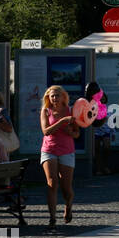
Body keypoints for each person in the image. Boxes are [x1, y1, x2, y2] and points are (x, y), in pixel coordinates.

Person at [40, 85, 80, 229]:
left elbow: (77, 133)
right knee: (52, 183)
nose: (55, 98)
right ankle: (52, 217)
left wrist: (71, 132)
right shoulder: (46, 111)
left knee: (66, 188)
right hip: (49, 149)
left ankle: (68, 206)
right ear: (48, 98)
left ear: (64, 97)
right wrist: (62, 122)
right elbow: (46, 131)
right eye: (52, 96)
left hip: (66, 150)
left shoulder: (70, 111)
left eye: (57, 95)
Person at [85, 82, 114, 177]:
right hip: (96, 131)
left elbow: (111, 122)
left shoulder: (108, 108)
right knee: (97, 150)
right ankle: (98, 168)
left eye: (103, 97)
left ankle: (105, 166)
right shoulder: (93, 107)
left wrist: (113, 133)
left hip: (106, 131)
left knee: (107, 148)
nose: (102, 99)